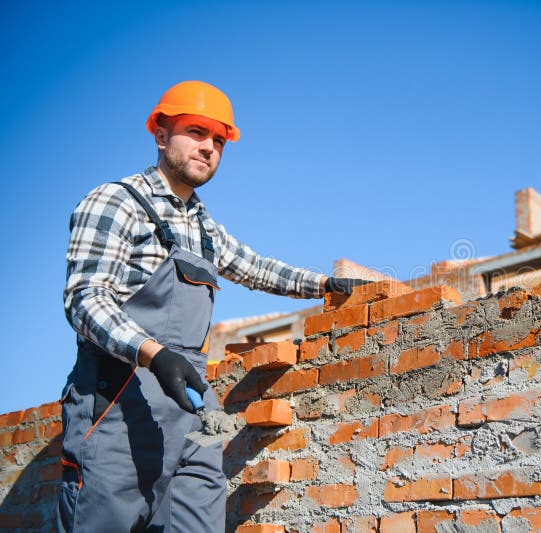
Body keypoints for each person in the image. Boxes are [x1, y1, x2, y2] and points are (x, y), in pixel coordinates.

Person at [58, 80, 368, 532]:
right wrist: (154, 354)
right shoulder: (116, 202)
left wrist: (326, 283)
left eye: (218, 140)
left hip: (191, 410)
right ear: (161, 135)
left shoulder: (204, 227)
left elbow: (256, 268)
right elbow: (85, 300)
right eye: (196, 132)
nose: (208, 147)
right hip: (115, 405)